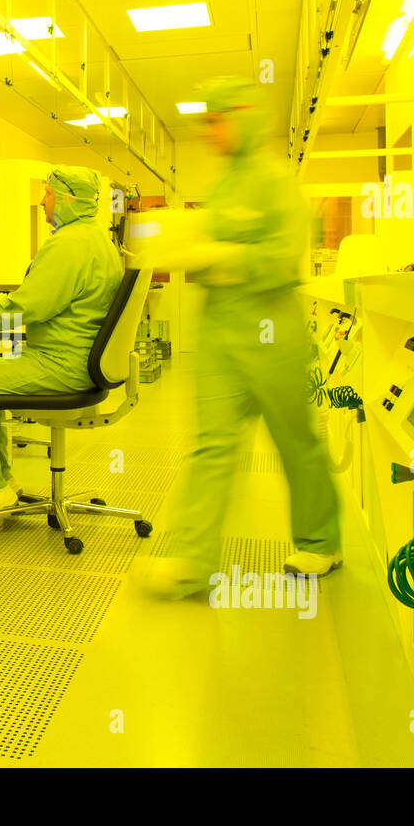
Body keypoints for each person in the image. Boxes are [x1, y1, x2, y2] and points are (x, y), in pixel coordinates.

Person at [130, 77, 341, 598]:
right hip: (222, 332)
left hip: (273, 332)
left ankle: (321, 540)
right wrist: (181, 249)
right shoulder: (223, 187)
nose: (209, 131)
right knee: (212, 448)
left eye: (215, 119)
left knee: (296, 441)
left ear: (244, 116)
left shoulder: (275, 182)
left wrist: (223, 258)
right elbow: (204, 247)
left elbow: (283, 255)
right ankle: (192, 561)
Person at [0, 165, 122, 531]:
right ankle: (1, 483)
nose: (43, 201)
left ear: (70, 199)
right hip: (81, 359)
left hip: (62, 363)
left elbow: (32, 306)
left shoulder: (70, 243)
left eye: (49, 194)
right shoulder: (98, 239)